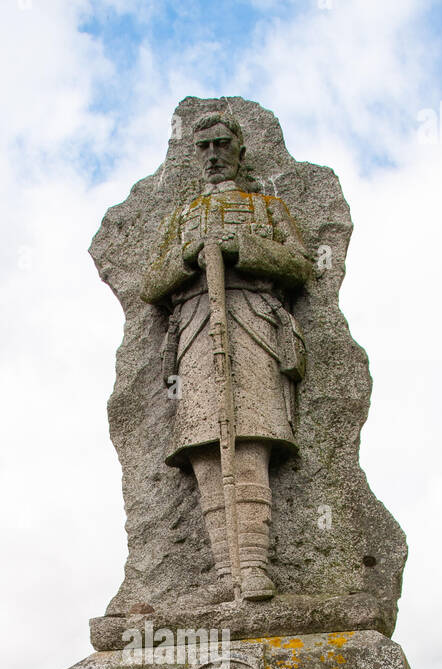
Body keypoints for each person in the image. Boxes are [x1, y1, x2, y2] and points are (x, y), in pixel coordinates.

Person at [142, 111, 312, 601]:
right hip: (196, 329)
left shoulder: (266, 207)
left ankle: (254, 567)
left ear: (239, 149)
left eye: (221, 144)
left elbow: (301, 265)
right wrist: (186, 258)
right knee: (204, 449)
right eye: (204, 147)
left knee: (250, 440)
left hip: (253, 323)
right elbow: (151, 284)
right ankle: (223, 572)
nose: (213, 155)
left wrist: (244, 247)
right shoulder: (182, 217)